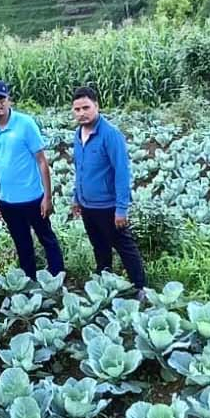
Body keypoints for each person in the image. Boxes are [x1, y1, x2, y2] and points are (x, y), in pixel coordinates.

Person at [69, 85, 146, 300]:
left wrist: (121, 209)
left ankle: (140, 287)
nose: (81, 113)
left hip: (108, 206)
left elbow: (122, 173)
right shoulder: (78, 134)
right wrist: (76, 197)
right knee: (99, 246)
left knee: (124, 246)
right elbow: (80, 168)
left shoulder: (110, 135)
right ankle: (105, 281)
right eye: (77, 109)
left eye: (86, 107)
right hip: (87, 205)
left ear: (97, 106)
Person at [0, 80, 63, 280]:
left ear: (9, 100)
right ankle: (30, 281)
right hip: (7, 201)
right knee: (22, 243)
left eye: (1, 99)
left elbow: (42, 161)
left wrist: (48, 197)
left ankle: (57, 278)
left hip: (33, 197)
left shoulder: (25, 124)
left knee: (47, 239)